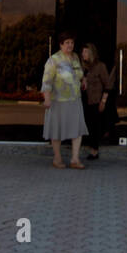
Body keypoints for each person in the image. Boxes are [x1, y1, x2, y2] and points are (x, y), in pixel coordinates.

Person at [41, 31, 88, 169]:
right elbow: (46, 81)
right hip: (58, 101)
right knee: (57, 129)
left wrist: (83, 79)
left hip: (74, 99)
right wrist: (47, 99)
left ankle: (75, 159)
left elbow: (79, 73)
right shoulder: (53, 60)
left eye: (72, 43)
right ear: (61, 44)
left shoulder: (75, 58)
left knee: (77, 129)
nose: (70, 45)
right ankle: (57, 158)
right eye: (67, 42)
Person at [80, 44, 113, 160]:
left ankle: (94, 151)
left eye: (85, 52)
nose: (83, 54)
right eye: (82, 52)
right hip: (85, 101)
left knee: (95, 126)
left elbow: (108, 84)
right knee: (88, 126)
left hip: (96, 101)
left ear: (91, 53)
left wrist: (103, 101)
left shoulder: (100, 66)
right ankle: (91, 148)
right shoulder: (83, 67)